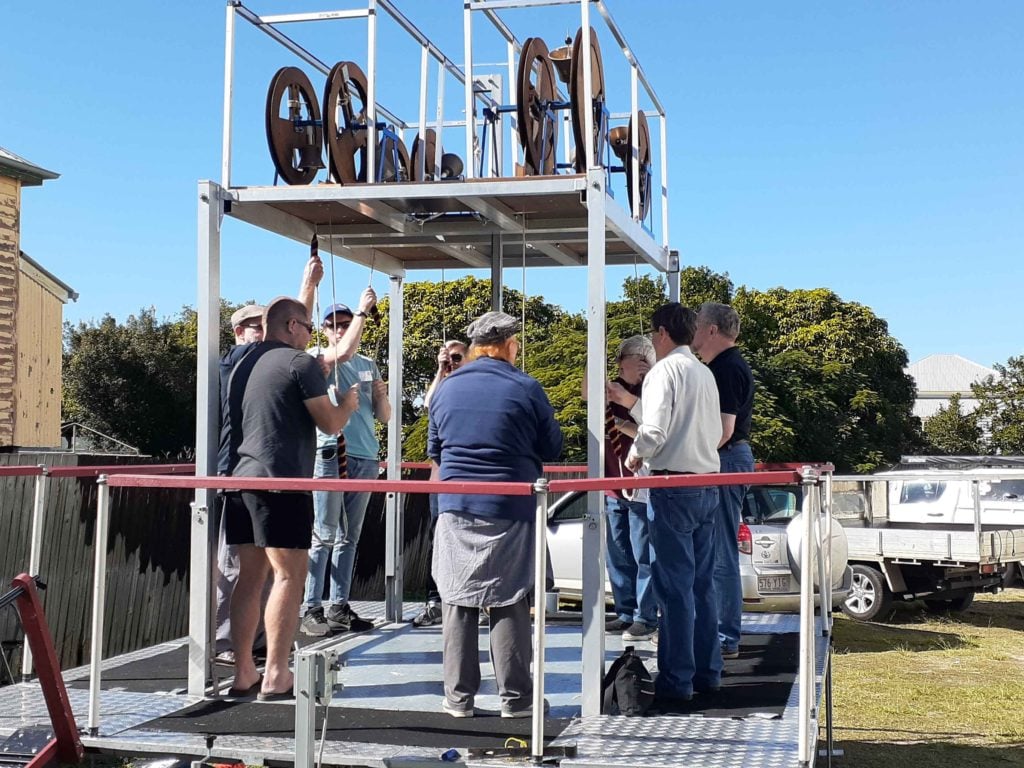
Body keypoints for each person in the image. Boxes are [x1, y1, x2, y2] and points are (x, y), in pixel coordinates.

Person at [428, 311, 562, 718]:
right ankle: (516, 699)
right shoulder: (526, 387)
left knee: (457, 601)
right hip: (510, 505)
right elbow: (552, 447)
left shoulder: (446, 390)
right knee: (509, 600)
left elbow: (435, 450)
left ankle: (458, 699)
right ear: (508, 345)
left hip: (456, 507)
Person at [227, 296, 358, 700]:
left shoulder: (243, 363)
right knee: (289, 575)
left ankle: (244, 672)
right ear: (291, 326)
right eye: (308, 326)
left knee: (249, 577)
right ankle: (277, 674)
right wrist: (349, 402)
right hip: (282, 483)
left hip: (240, 481)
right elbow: (330, 422)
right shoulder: (298, 363)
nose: (312, 334)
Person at [214, 255, 323, 665]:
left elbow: (292, 328)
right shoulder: (237, 360)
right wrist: (345, 406)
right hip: (256, 477)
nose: (263, 332)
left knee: (257, 576)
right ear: (240, 332)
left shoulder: (262, 359)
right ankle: (244, 653)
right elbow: (291, 335)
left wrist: (306, 287)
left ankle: (250, 654)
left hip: (246, 475)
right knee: (266, 573)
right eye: (255, 326)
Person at [625, 303, 722, 704]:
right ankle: (707, 671)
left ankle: (677, 680)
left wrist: (635, 455)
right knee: (702, 585)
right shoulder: (704, 372)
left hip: (672, 484)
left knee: (673, 588)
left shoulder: (664, 372)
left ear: (662, 333)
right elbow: (716, 430)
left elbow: (654, 429)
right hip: (708, 483)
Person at [301, 293, 392, 636]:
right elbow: (343, 352)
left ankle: (339, 605)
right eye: (333, 325)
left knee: (348, 536)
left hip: (366, 455)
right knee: (323, 533)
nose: (340, 330)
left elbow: (383, 417)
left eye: (344, 324)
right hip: (330, 451)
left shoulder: (368, 364)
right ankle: (312, 606)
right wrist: (362, 310)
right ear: (324, 330)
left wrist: (381, 396)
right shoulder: (317, 359)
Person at [692, 302, 755, 661]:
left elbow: (724, 429)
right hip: (725, 458)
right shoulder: (720, 367)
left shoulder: (727, 369)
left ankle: (725, 635)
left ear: (713, 330)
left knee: (719, 551)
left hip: (725, 459)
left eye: (698, 325)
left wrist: (691, 456)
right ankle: (720, 631)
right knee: (715, 549)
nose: (694, 331)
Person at [589, 336, 659, 642]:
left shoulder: (652, 390)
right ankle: (626, 611)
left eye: (648, 355)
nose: (644, 361)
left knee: (643, 551)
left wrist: (623, 424)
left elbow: (652, 429)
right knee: (619, 553)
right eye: (638, 356)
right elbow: (586, 394)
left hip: (640, 483)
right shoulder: (609, 388)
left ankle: (646, 616)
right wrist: (594, 354)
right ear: (621, 360)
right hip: (613, 483)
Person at [412, 339, 469, 628]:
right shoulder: (442, 386)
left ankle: (467, 599)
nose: (453, 363)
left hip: (468, 478)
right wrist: (440, 369)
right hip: (441, 477)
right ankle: (435, 599)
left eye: (458, 358)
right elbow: (429, 403)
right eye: (450, 358)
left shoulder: (472, 386)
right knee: (438, 538)